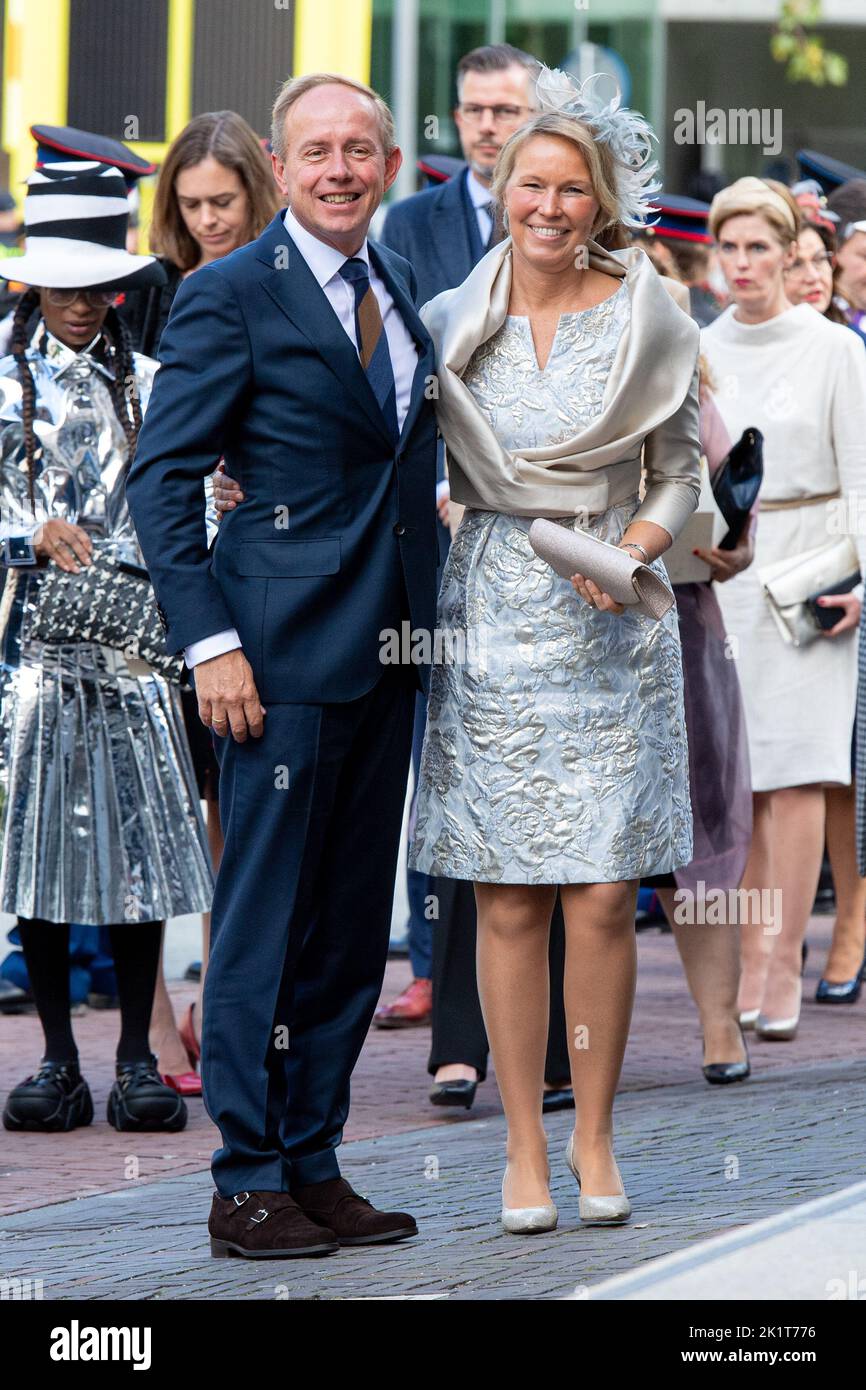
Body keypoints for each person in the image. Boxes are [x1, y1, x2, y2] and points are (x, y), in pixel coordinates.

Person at [126, 73, 438, 1259]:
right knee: (264, 922)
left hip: (387, 656)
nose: (340, 170)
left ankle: (314, 1158)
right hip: (268, 662)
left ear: (392, 160)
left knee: (352, 932)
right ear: (279, 160)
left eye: (360, 149)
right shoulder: (225, 294)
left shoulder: (398, 287)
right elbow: (163, 480)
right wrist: (211, 645)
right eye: (317, 151)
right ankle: (243, 1176)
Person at [410, 67, 701, 1231]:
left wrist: (628, 549)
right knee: (507, 901)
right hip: (490, 616)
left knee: (596, 894)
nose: (547, 205)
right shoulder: (447, 319)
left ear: (600, 199)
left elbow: (679, 475)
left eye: (569, 188)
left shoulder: (649, 315)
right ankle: (521, 1148)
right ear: (497, 187)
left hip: (610, 619)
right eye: (529, 183)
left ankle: (592, 1137)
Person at [375, 42, 575, 1110]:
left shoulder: (603, 259)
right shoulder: (408, 236)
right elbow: (398, 398)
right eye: (477, 113)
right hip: (454, 561)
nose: (491, 132)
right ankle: (457, 1033)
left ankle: (550, 1047)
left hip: (569, 576)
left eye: (513, 115)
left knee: (553, 809)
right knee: (460, 791)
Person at [0, 160, 213, 1134]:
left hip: (137, 658)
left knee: (136, 854)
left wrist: (222, 502)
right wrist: (27, 533)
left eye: (96, 284)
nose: (80, 302)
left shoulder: (160, 384)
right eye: (61, 282)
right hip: (33, 657)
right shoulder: (0, 383)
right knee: (38, 861)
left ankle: (134, 1054)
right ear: (29, 280)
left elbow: (187, 503)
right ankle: (53, 1056)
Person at [118, 111, 280, 1092]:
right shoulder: (142, 295)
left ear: (255, 195)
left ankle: (225, 1000)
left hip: (249, 574)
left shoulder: (279, 278)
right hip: (152, 579)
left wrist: (249, 477)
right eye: (190, 205)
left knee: (234, 805)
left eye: (223, 201)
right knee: (154, 804)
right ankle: (149, 1034)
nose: (209, 220)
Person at [702, 177, 866, 1040]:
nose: (741, 263)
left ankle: (782, 959)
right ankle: (744, 956)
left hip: (813, 575)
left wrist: (861, 581)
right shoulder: (698, 345)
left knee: (800, 777)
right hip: (722, 573)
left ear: (791, 253)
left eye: (758, 246)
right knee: (740, 784)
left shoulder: (835, 347)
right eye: (728, 248)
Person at [784, 185, 866, 1004]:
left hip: (852, 560)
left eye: (817, 261)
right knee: (824, 762)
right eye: (800, 260)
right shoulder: (779, 344)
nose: (810, 276)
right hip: (799, 570)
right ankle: (796, 936)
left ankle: (851, 924)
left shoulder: (845, 347)